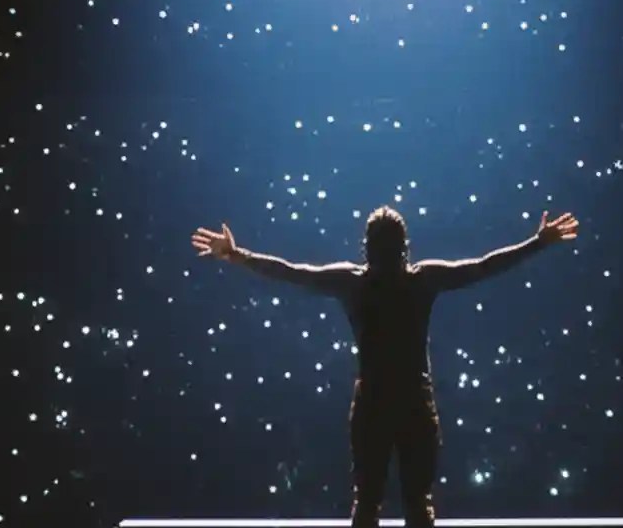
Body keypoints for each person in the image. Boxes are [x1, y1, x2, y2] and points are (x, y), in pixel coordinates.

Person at [191, 206, 579, 528]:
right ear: (405, 247)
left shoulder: (354, 282)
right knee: (416, 505)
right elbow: (482, 267)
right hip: (412, 400)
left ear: (367, 247)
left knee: (368, 504)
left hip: (374, 401)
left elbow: (292, 272)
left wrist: (239, 256)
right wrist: (537, 243)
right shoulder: (420, 279)